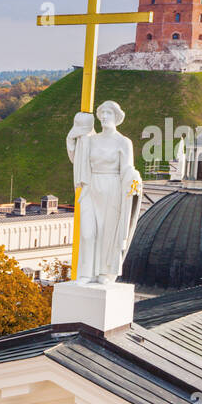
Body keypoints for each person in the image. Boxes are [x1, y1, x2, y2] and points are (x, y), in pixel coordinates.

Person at [66, 101, 141, 283]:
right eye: (103, 113)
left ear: (117, 117)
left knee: (108, 233)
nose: (105, 117)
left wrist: (134, 179)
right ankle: (87, 272)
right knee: (87, 233)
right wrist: (70, 138)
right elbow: (78, 161)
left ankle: (106, 272)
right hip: (92, 187)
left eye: (109, 113)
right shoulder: (91, 140)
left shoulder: (124, 142)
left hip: (112, 188)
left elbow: (127, 169)